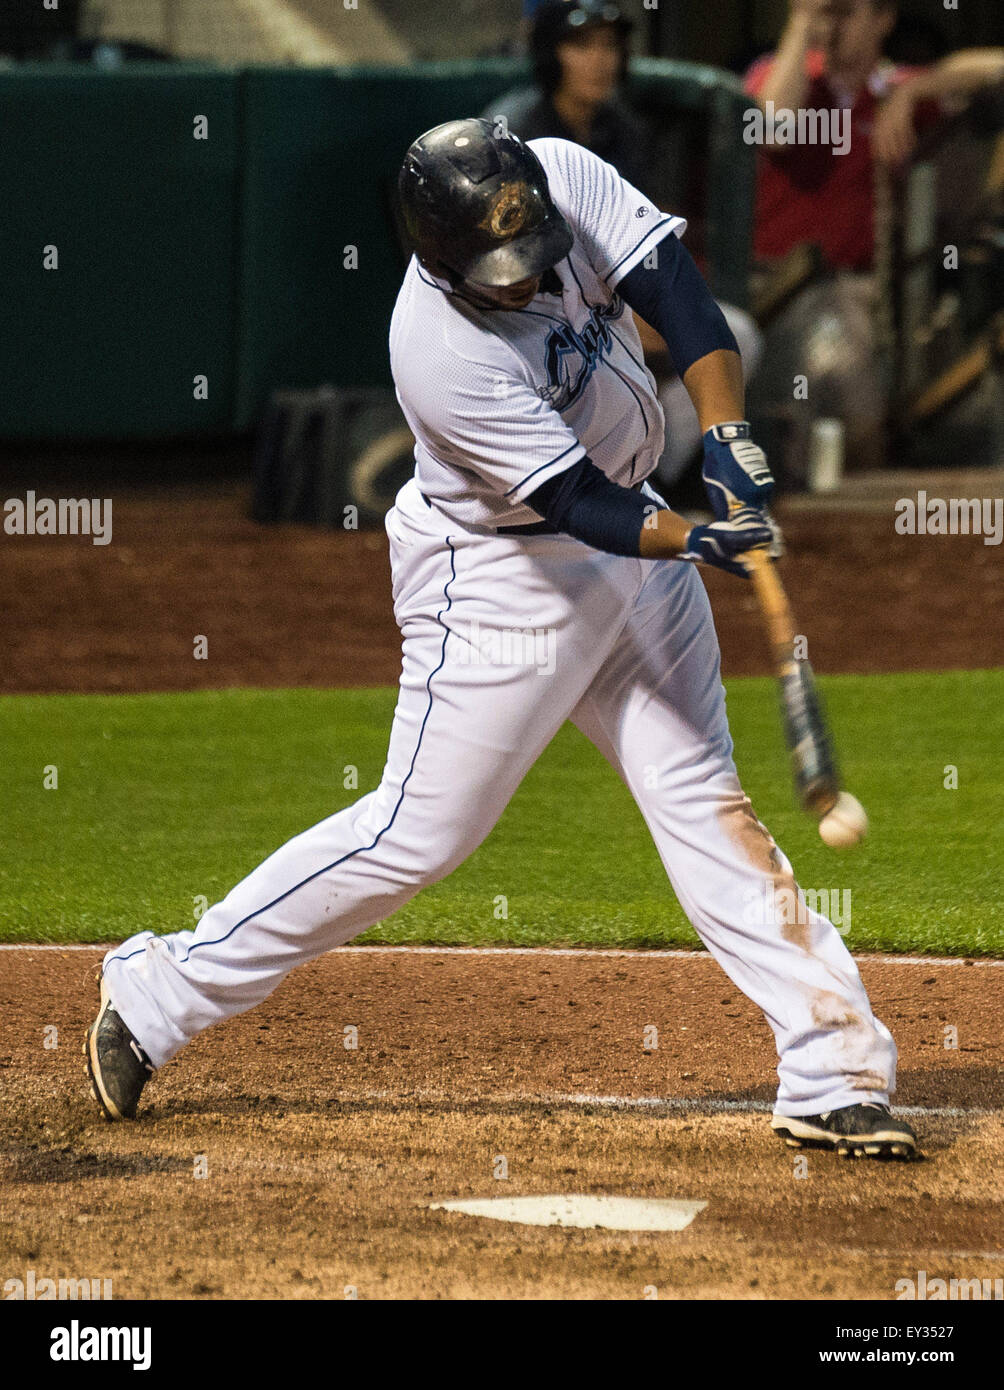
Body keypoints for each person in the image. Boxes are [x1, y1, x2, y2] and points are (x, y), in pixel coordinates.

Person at [86, 120, 917, 1162]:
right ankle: (156, 991)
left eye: (532, 259)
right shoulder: (437, 352)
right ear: (438, 260)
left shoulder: (558, 174)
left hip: (635, 551)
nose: (525, 283)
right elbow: (574, 503)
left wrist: (727, 438)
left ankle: (832, 1067)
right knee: (413, 836)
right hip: (502, 585)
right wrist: (695, 533)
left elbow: (677, 296)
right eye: (497, 275)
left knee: (703, 797)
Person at [484, 0, 763, 488]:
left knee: (733, 331)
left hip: (604, 307)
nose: (600, 60)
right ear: (552, 55)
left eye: (609, 46)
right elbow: (505, 272)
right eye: (582, 45)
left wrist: (645, 317)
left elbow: (640, 250)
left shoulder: (626, 132)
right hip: (524, 315)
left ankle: (644, 472)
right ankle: (563, 478)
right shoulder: (512, 130)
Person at [746, 0, 1004, 271]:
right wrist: (802, 19)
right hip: (767, 278)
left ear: (883, 19)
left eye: (844, 12)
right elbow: (772, 133)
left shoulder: (892, 89)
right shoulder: (780, 74)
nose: (830, 25)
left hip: (849, 284)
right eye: (823, 13)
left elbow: (996, 67)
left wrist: (912, 91)